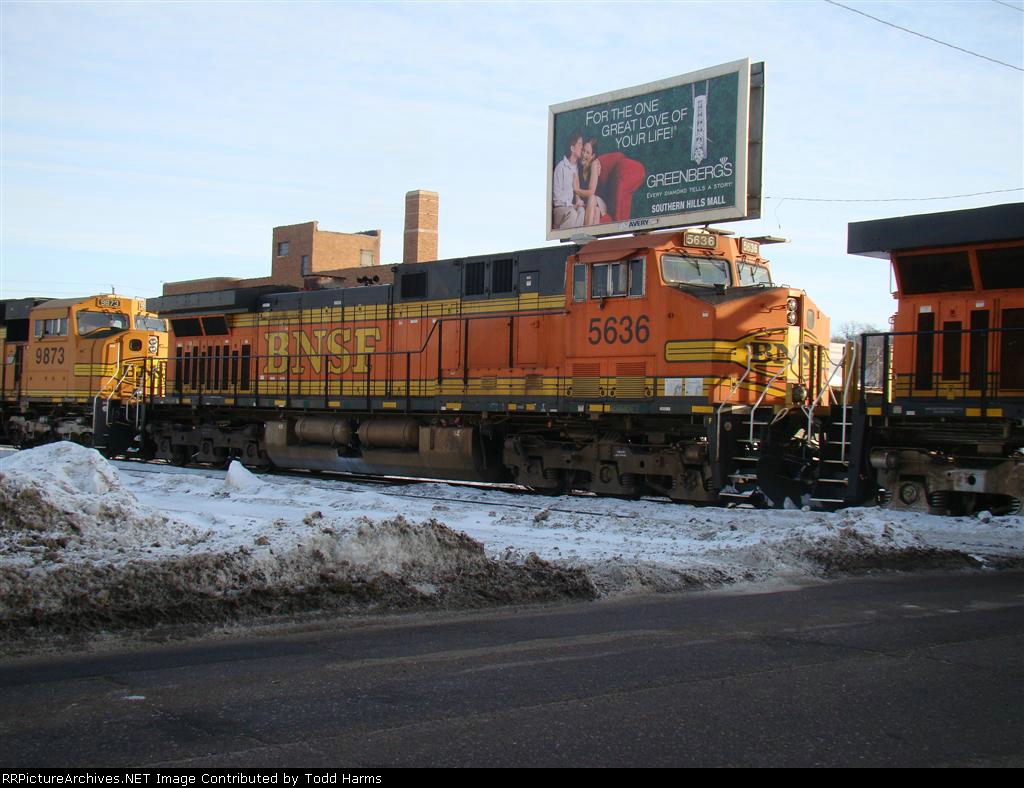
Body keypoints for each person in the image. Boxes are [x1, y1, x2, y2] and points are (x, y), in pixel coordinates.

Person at [551, 132, 585, 230]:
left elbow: (576, 191)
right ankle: (562, 234)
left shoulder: (577, 169)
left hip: (570, 208)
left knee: (581, 211)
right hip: (559, 209)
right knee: (573, 213)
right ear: (572, 148)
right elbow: (556, 199)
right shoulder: (560, 167)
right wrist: (572, 206)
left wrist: (578, 202)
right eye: (579, 144)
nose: (581, 147)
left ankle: (576, 239)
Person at [574, 138, 608, 227]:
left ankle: (585, 232)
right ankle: (590, 239)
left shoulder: (594, 164)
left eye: (587, 152)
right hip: (589, 203)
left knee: (592, 198)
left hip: (599, 201)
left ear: (593, 156)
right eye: (583, 150)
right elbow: (576, 186)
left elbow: (591, 192)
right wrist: (577, 198)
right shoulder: (578, 165)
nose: (583, 154)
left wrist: (577, 190)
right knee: (596, 212)